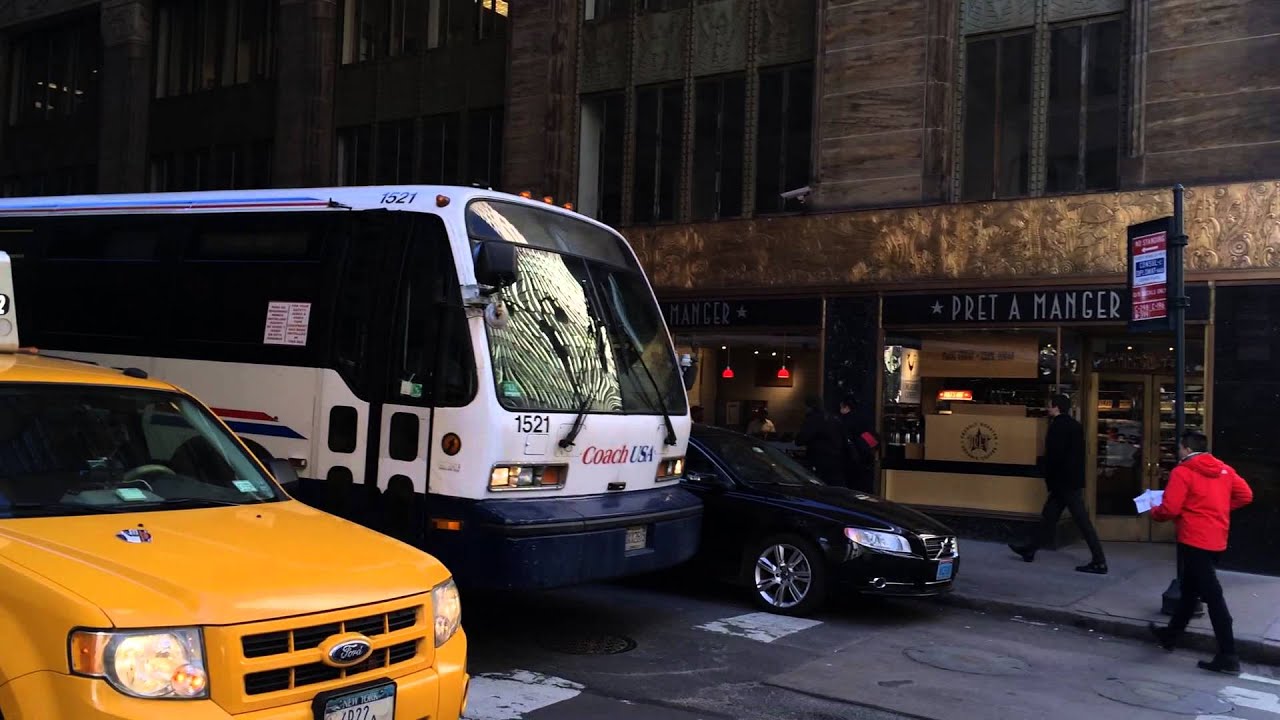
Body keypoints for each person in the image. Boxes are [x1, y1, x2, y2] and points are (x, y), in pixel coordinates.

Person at [1148, 430, 1253, 674]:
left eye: (1179, 448)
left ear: (1185, 448)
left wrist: (1154, 511)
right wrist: (1218, 508)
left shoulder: (1183, 472)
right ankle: (1170, 635)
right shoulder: (1224, 469)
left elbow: (1171, 508)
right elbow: (1246, 495)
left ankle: (1228, 655)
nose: (1177, 452)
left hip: (1193, 539)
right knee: (1189, 591)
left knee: (1213, 596)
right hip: (1217, 539)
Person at [1008, 393, 1108, 574]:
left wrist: (1048, 476)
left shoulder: (1057, 427)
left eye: (1049, 405)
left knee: (1081, 521)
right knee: (1049, 517)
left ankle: (1099, 561)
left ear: (1056, 407)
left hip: (1063, 483)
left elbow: (1054, 456)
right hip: (1071, 482)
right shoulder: (1075, 426)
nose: (1048, 408)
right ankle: (1030, 549)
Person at [795, 396, 846, 486]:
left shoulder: (814, 419)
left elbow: (801, 439)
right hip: (835, 459)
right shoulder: (832, 418)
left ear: (809, 407)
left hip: (819, 459)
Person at [838, 394, 878, 493]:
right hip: (866, 458)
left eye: (841, 407)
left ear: (846, 407)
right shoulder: (863, 418)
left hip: (851, 459)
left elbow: (844, 440)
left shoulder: (845, 421)